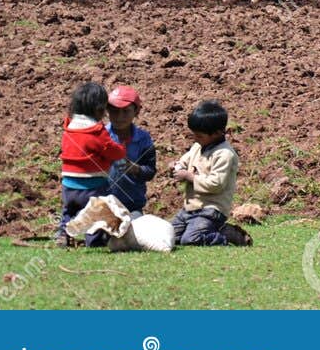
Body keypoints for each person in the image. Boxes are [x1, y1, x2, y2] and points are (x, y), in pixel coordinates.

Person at [168, 100, 250, 246]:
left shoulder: (225, 154)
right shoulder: (198, 146)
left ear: (218, 133)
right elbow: (185, 161)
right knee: (168, 236)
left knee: (191, 239)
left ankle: (226, 234)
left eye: (199, 136)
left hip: (211, 209)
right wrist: (176, 166)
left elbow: (216, 184)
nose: (195, 139)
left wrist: (189, 176)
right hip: (190, 208)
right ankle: (204, 230)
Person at [58, 82, 127, 246]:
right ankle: (94, 241)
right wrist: (122, 149)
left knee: (69, 211)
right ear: (98, 109)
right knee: (96, 214)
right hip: (93, 186)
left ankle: (63, 235)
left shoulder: (69, 128)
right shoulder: (96, 131)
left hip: (68, 184)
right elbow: (111, 151)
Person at [104, 85, 157, 214]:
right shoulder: (101, 135)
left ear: (136, 112)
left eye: (126, 111)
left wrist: (136, 169)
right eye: (114, 111)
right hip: (102, 203)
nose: (119, 117)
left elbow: (150, 171)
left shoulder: (143, 139)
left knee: (134, 231)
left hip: (131, 205)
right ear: (107, 111)